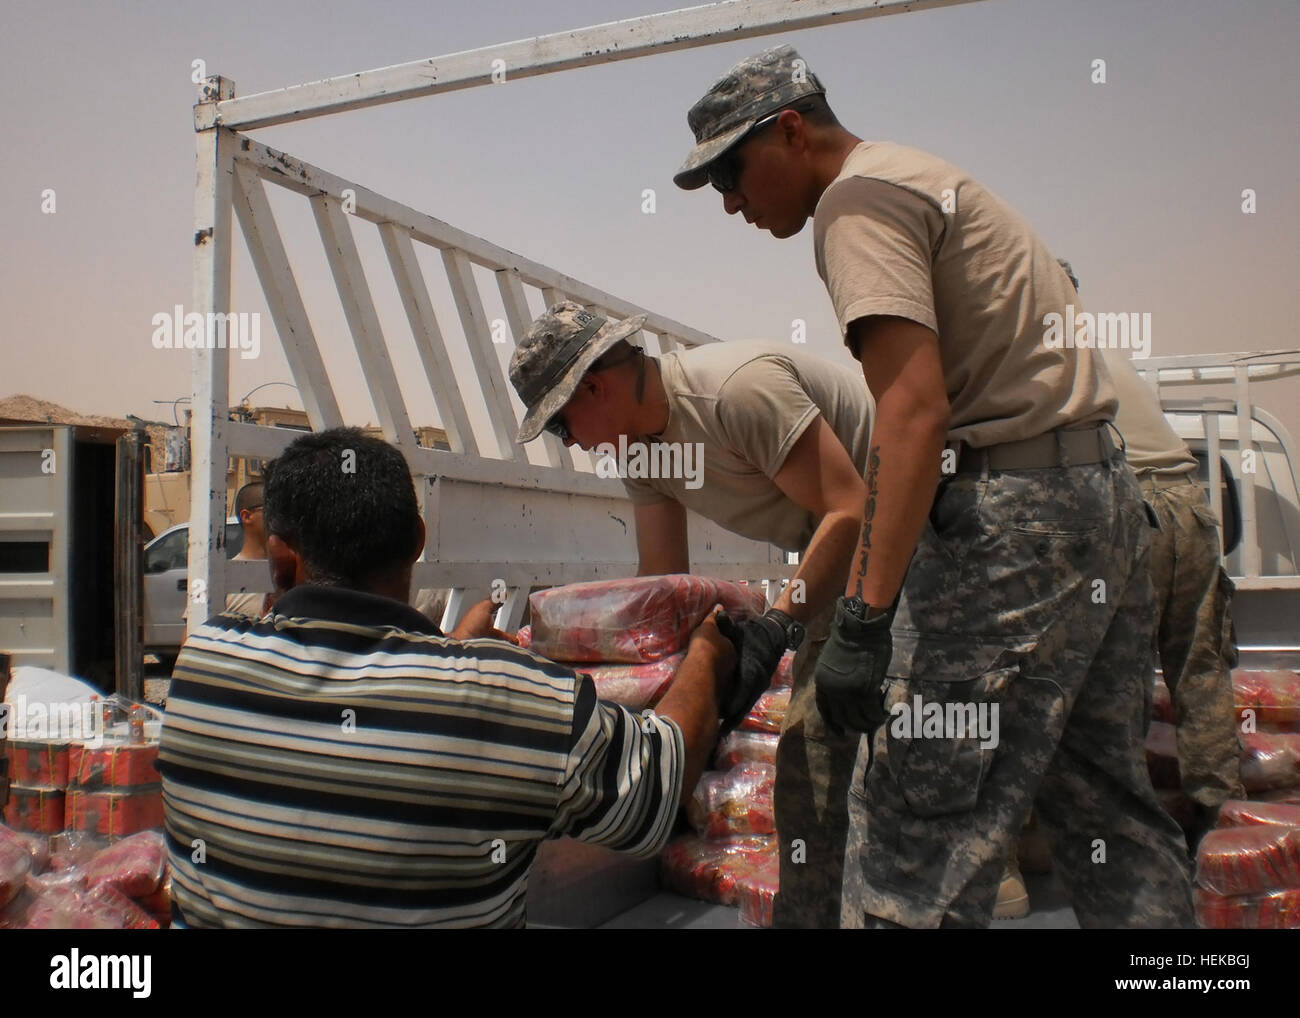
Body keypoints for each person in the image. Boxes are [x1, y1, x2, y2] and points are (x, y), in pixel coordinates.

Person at [674, 44, 1195, 928]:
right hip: (1097, 501)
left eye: (732, 170)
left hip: (1008, 527)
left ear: (791, 131)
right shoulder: (920, 175)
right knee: (1106, 804)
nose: (730, 202)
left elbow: (912, 413)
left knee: (914, 835)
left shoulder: (856, 202)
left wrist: (866, 622)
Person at [156, 427, 736, 928]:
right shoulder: (522, 699)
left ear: (279, 558)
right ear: (418, 541)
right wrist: (707, 651)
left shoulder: (201, 668)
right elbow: (659, 785)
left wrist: (456, 658)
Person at [510, 299, 880, 927]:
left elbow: (850, 506)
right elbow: (663, 586)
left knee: (906, 746)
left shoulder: (735, 393)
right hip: (841, 564)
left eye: (562, 426)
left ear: (594, 387)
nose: (571, 443)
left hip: (913, 541)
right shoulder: (641, 451)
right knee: (812, 767)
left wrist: (777, 626)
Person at [1060, 259, 1245, 839]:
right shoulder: (1109, 358)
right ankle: (1221, 822)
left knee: (1122, 678)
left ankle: (1130, 833)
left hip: (1132, 512)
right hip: (1190, 505)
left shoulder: (1047, 361)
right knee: (1199, 665)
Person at [225, 481, 269, 616]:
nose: (280, 516)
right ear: (247, 516)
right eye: (272, 509)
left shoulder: (292, 569)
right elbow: (192, 631)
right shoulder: (223, 575)